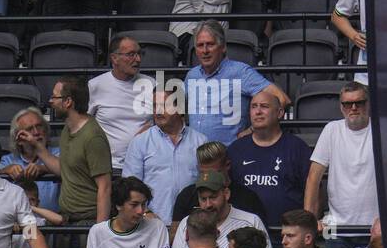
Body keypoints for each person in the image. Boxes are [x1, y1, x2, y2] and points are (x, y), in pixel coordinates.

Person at [178, 21, 289, 147]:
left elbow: (281, 98)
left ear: (223, 47)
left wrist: (252, 130)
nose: (205, 50)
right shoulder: (192, 75)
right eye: (200, 45)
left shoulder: (240, 72)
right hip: (196, 155)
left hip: (229, 156)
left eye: (210, 44)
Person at [304, 83, 378, 248]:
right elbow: (313, 178)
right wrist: (309, 221)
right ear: (341, 107)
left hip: (375, 226)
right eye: (347, 104)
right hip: (336, 227)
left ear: (368, 103)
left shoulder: (382, 129)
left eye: (359, 102)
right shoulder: (332, 129)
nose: (353, 108)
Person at [122, 87, 208, 228]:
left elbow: (207, 185)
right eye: (155, 106)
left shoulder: (201, 142)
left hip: (191, 226)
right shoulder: (140, 142)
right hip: (149, 225)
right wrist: (145, 212)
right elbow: (129, 186)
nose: (158, 111)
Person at [226, 90, 311, 226]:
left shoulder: (297, 148)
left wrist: (307, 227)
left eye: (264, 106)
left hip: (285, 234)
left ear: (280, 113)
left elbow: (312, 192)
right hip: (244, 235)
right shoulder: (236, 149)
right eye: (254, 106)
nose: (258, 111)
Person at [42, 76, 111, 230]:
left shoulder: (93, 137)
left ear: (68, 102)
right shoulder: (68, 129)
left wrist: (99, 235)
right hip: (67, 220)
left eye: (55, 96)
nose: (51, 101)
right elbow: (66, 169)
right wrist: (38, 148)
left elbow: (105, 188)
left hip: (88, 222)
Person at [172, 170, 274, 248]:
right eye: (203, 199)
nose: (208, 205)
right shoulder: (188, 223)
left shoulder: (251, 221)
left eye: (213, 197)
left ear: (226, 194)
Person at [87, 36, 155, 172]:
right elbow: (84, 125)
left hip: (144, 165)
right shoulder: (95, 86)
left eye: (139, 54)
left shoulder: (152, 84)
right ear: (114, 58)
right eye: (131, 54)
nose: (138, 59)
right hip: (107, 168)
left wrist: (152, 126)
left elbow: (165, 123)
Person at [168, 140, 270, 229]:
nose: (210, 178)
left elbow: (260, 241)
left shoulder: (248, 199)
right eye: (204, 173)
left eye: (214, 173)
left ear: (227, 165)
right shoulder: (186, 197)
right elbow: (175, 236)